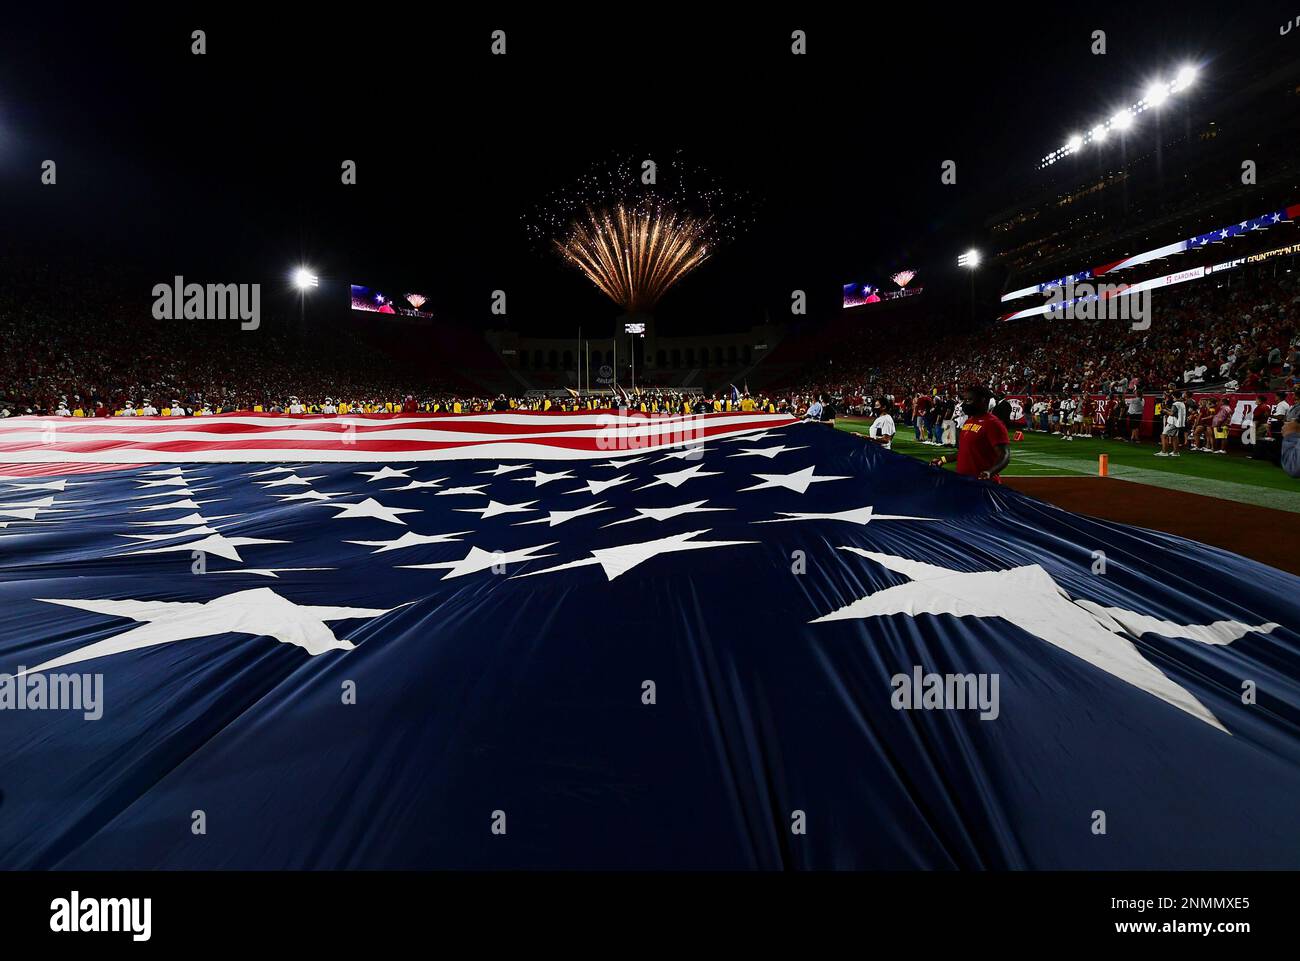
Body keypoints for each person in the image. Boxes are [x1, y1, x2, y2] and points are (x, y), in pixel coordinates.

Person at [930, 384, 1010, 480]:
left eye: (969, 400)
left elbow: (1004, 455)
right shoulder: (969, 421)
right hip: (965, 481)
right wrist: (942, 459)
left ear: (982, 400)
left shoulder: (993, 423)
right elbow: (964, 451)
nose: (965, 404)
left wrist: (990, 472)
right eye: (965, 400)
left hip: (981, 484)